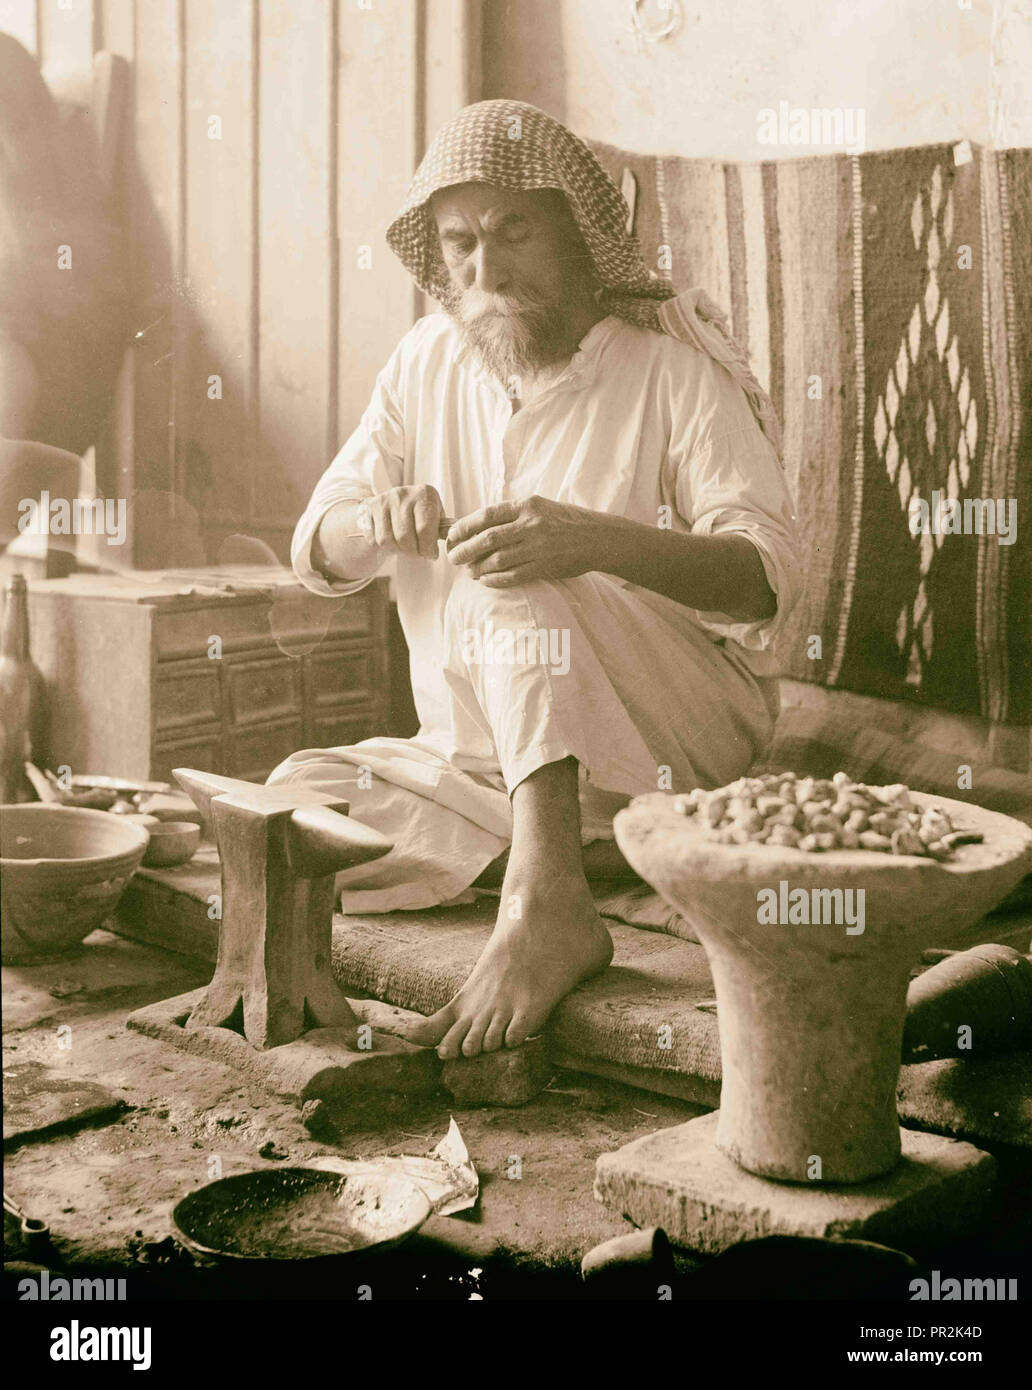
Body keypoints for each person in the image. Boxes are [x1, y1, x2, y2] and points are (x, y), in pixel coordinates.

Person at [270, 99, 801, 1060]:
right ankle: (590, 855)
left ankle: (546, 904)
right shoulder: (425, 360)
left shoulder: (672, 372)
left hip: (675, 735)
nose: (487, 269)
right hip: (485, 761)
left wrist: (593, 542)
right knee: (299, 807)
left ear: (579, 235)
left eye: (515, 231)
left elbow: (764, 580)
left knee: (505, 577)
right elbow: (317, 547)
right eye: (461, 242)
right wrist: (373, 524)